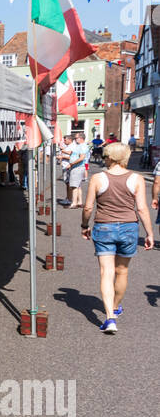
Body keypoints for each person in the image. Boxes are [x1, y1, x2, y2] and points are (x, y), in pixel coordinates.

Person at [81, 141, 153, 333]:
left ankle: (110, 318)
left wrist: (84, 225)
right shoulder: (136, 178)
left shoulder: (98, 178)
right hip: (129, 228)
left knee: (106, 272)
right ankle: (114, 307)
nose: (104, 158)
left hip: (104, 227)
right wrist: (150, 233)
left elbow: (88, 207)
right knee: (122, 271)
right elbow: (142, 208)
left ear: (111, 158)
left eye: (105, 156)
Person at [66, 131, 89, 209]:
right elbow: (74, 154)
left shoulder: (82, 146)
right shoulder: (79, 146)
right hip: (77, 167)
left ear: (81, 138)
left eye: (76, 138)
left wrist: (71, 164)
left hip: (77, 167)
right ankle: (79, 202)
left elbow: (82, 157)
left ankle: (74, 203)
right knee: (78, 186)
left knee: (74, 186)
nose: (75, 139)